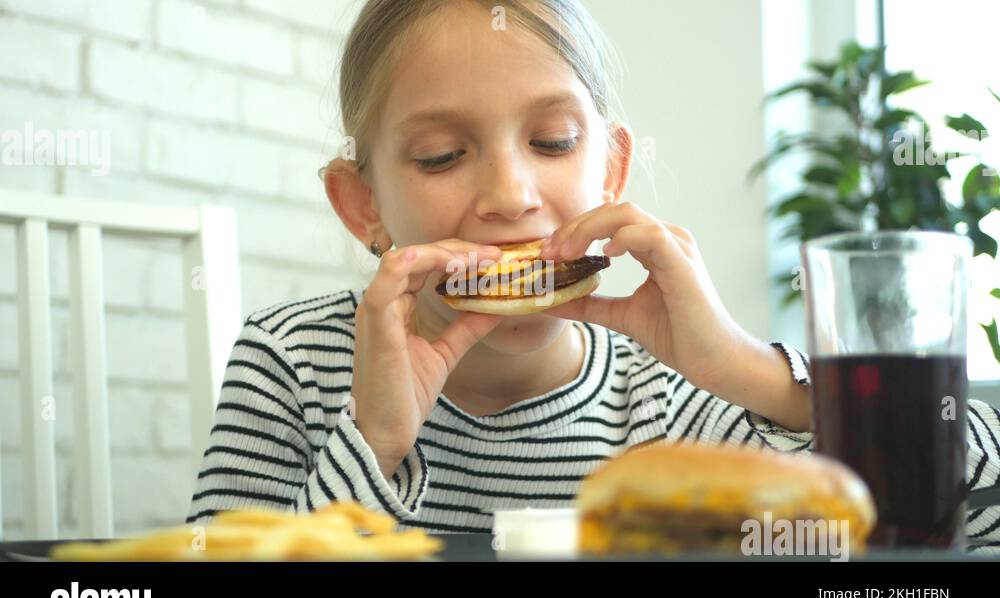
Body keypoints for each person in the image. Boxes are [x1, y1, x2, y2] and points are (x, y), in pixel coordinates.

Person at [185, 0, 1000, 552]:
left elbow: (976, 512)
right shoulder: (289, 360)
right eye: (443, 156)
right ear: (363, 204)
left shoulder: (676, 395)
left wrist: (749, 371)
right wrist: (376, 442)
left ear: (611, 171)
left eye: (551, 142)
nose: (510, 198)